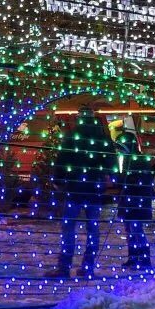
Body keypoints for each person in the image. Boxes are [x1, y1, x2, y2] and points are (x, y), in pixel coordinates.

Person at [48, 107, 118, 280]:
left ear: (79, 118)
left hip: (74, 189)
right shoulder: (103, 138)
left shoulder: (72, 136)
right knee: (93, 230)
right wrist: (110, 176)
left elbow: (62, 160)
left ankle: (64, 268)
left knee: (69, 229)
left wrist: (58, 180)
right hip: (95, 190)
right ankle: (87, 268)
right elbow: (112, 162)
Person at [114, 130, 153, 270]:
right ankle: (133, 257)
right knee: (130, 231)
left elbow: (139, 182)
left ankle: (144, 259)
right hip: (128, 202)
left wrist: (125, 182)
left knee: (136, 231)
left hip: (137, 203)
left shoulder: (139, 161)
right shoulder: (126, 160)